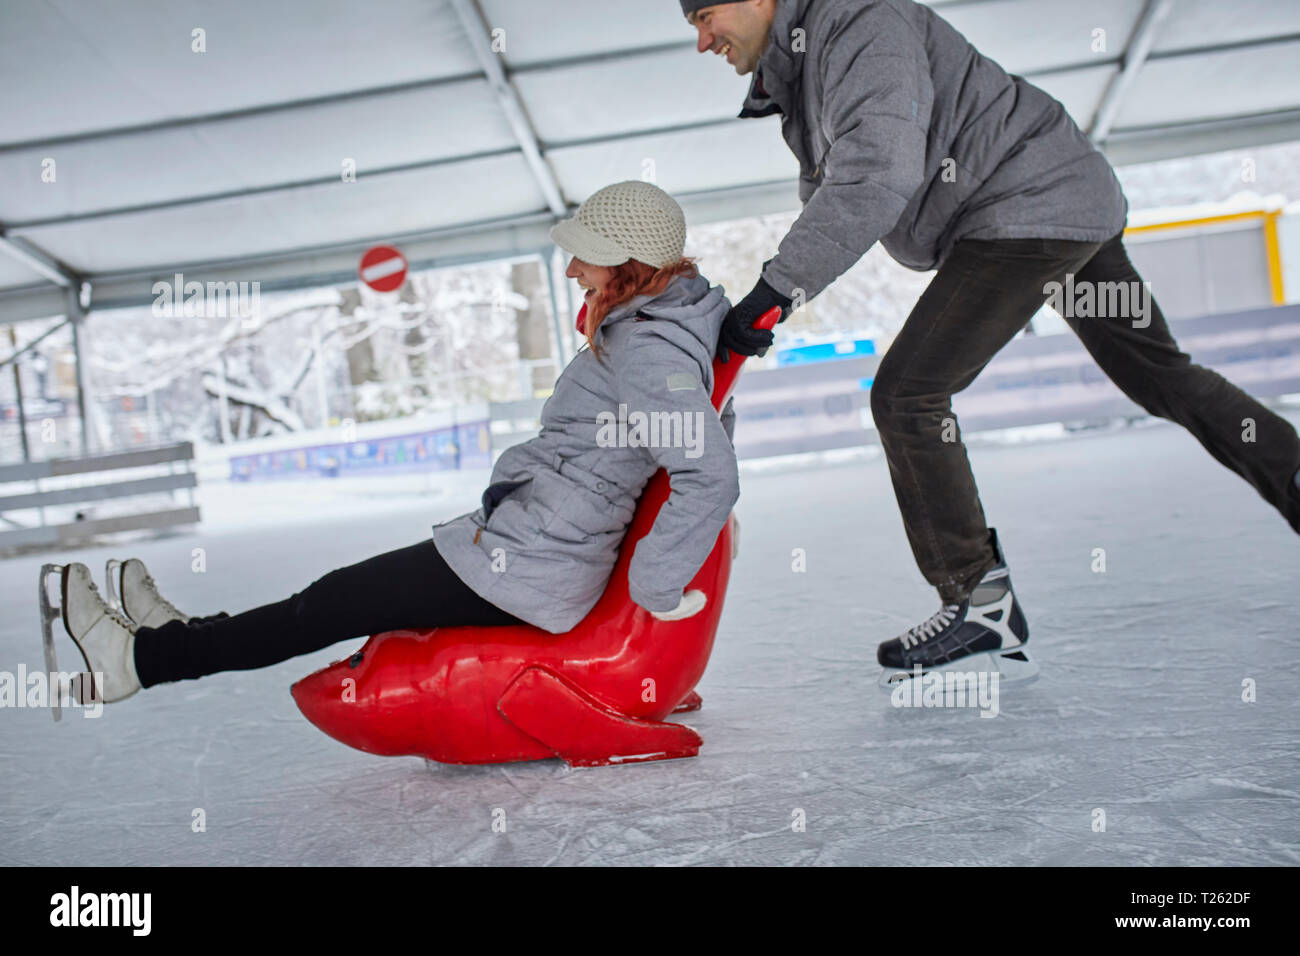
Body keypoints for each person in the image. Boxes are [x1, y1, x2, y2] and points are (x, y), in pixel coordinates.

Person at [681, 0, 1300, 680]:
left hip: (1025, 207)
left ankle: (980, 601)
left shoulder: (860, 23)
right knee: (1161, 376)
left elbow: (876, 172)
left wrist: (775, 293)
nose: (704, 41)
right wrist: (781, 295)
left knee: (908, 394)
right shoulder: (802, 73)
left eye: (706, 15)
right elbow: (833, 193)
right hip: (1057, 200)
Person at [54, 180, 742, 703]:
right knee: (325, 600)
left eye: (585, 260)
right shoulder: (656, 325)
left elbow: (708, 474)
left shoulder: (652, 351)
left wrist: (653, 585)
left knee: (325, 606)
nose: (571, 273)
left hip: (531, 566)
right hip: (525, 545)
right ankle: (177, 637)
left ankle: (140, 663)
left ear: (629, 264)